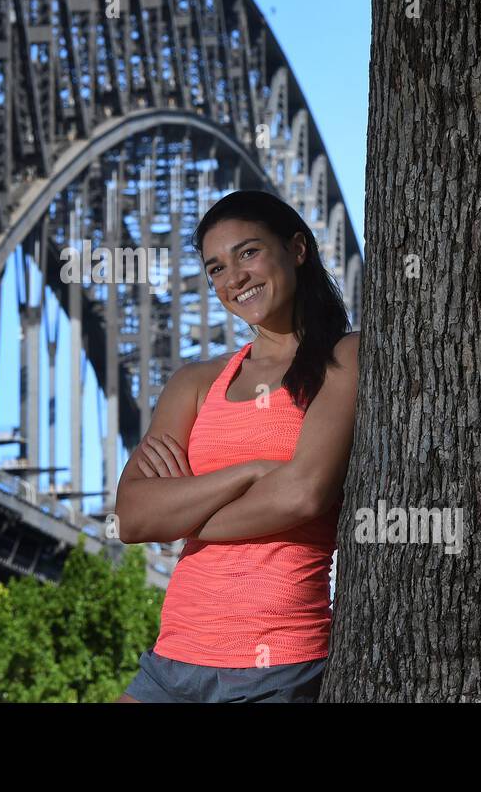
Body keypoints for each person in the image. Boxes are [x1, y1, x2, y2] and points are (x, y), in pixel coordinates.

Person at [112, 188, 359, 702]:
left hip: (279, 662)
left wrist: (180, 512)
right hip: (172, 659)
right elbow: (133, 518)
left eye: (248, 252)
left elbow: (303, 496)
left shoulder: (346, 357)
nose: (234, 278)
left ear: (297, 248)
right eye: (216, 269)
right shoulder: (194, 383)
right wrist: (246, 475)